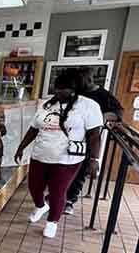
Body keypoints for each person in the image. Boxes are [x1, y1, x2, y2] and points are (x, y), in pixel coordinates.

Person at [14, 69, 103, 238]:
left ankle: (52, 222)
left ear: (75, 88)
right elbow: (34, 128)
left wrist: (94, 159)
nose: (59, 91)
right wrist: (21, 147)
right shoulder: (47, 104)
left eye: (64, 88)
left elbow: (94, 135)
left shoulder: (88, 106)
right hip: (40, 154)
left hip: (67, 159)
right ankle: (41, 206)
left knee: (57, 191)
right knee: (34, 187)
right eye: (57, 88)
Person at [64, 71, 123, 215]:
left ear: (89, 79)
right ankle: (59, 195)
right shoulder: (77, 92)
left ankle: (70, 200)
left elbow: (119, 113)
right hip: (70, 136)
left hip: (89, 139)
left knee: (80, 170)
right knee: (64, 168)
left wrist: (102, 116)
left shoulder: (103, 95)